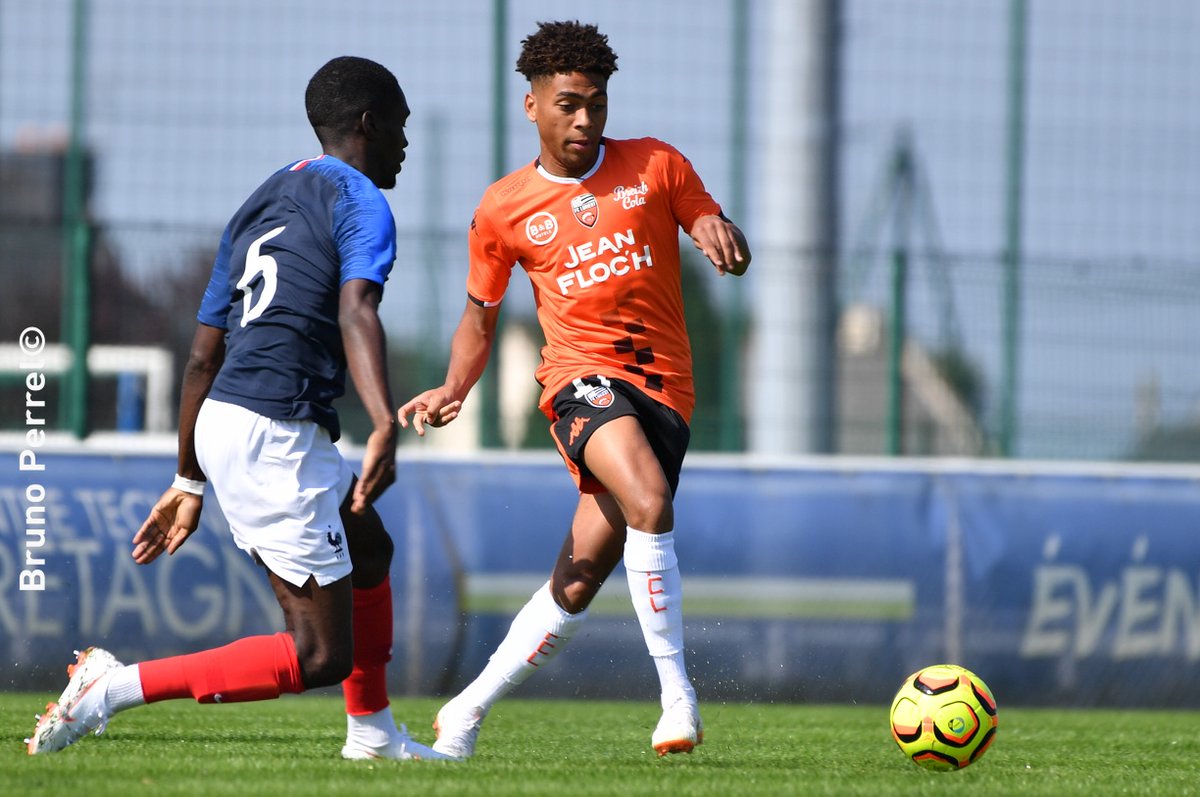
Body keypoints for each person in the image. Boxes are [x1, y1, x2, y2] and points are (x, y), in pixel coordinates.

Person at [27, 56, 452, 762]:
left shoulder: (260, 200)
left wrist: (189, 478)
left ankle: (373, 735)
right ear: (367, 124)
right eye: (400, 127)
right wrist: (383, 419)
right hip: (274, 429)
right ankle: (110, 686)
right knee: (320, 655)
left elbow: (202, 355)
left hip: (230, 417)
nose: (406, 144)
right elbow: (357, 308)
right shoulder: (362, 201)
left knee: (368, 546)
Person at [398, 20, 751, 759]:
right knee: (651, 500)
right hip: (578, 381)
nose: (584, 118)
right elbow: (478, 315)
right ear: (533, 106)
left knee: (582, 573)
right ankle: (678, 697)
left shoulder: (656, 164)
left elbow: (706, 217)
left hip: (665, 392)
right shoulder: (504, 208)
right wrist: (455, 385)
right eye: (568, 104)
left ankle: (463, 711)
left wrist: (721, 230)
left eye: (595, 103)